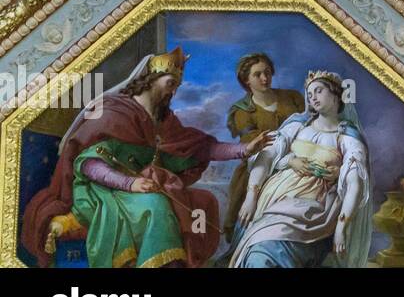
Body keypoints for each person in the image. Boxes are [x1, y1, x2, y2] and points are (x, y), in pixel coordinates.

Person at [20, 47, 273, 268]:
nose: (173, 92)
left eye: (176, 86)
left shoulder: (163, 120)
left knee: (203, 200)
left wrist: (244, 150)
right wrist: (130, 183)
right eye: (170, 84)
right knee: (155, 205)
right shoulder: (114, 111)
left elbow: (200, 148)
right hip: (102, 190)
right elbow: (89, 164)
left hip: (139, 184)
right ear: (152, 78)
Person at [229, 70, 372, 267]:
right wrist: (252, 195)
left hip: (314, 210)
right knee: (257, 250)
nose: (312, 97)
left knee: (265, 252)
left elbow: (354, 182)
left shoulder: (347, 136)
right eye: (309, 94)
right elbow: (267, 155)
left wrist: (341, 226)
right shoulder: (298, 125)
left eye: (318, 91)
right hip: (274, 200)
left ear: (336, 94)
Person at [222, 53, 304, 243]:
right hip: (260, 163)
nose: (265, 78)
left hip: (301, 154)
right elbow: (258, 145)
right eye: (257, 74)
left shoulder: (292, 97)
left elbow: (309, 125)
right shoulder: (242, 111)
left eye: (267, 72)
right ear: (246, 80)